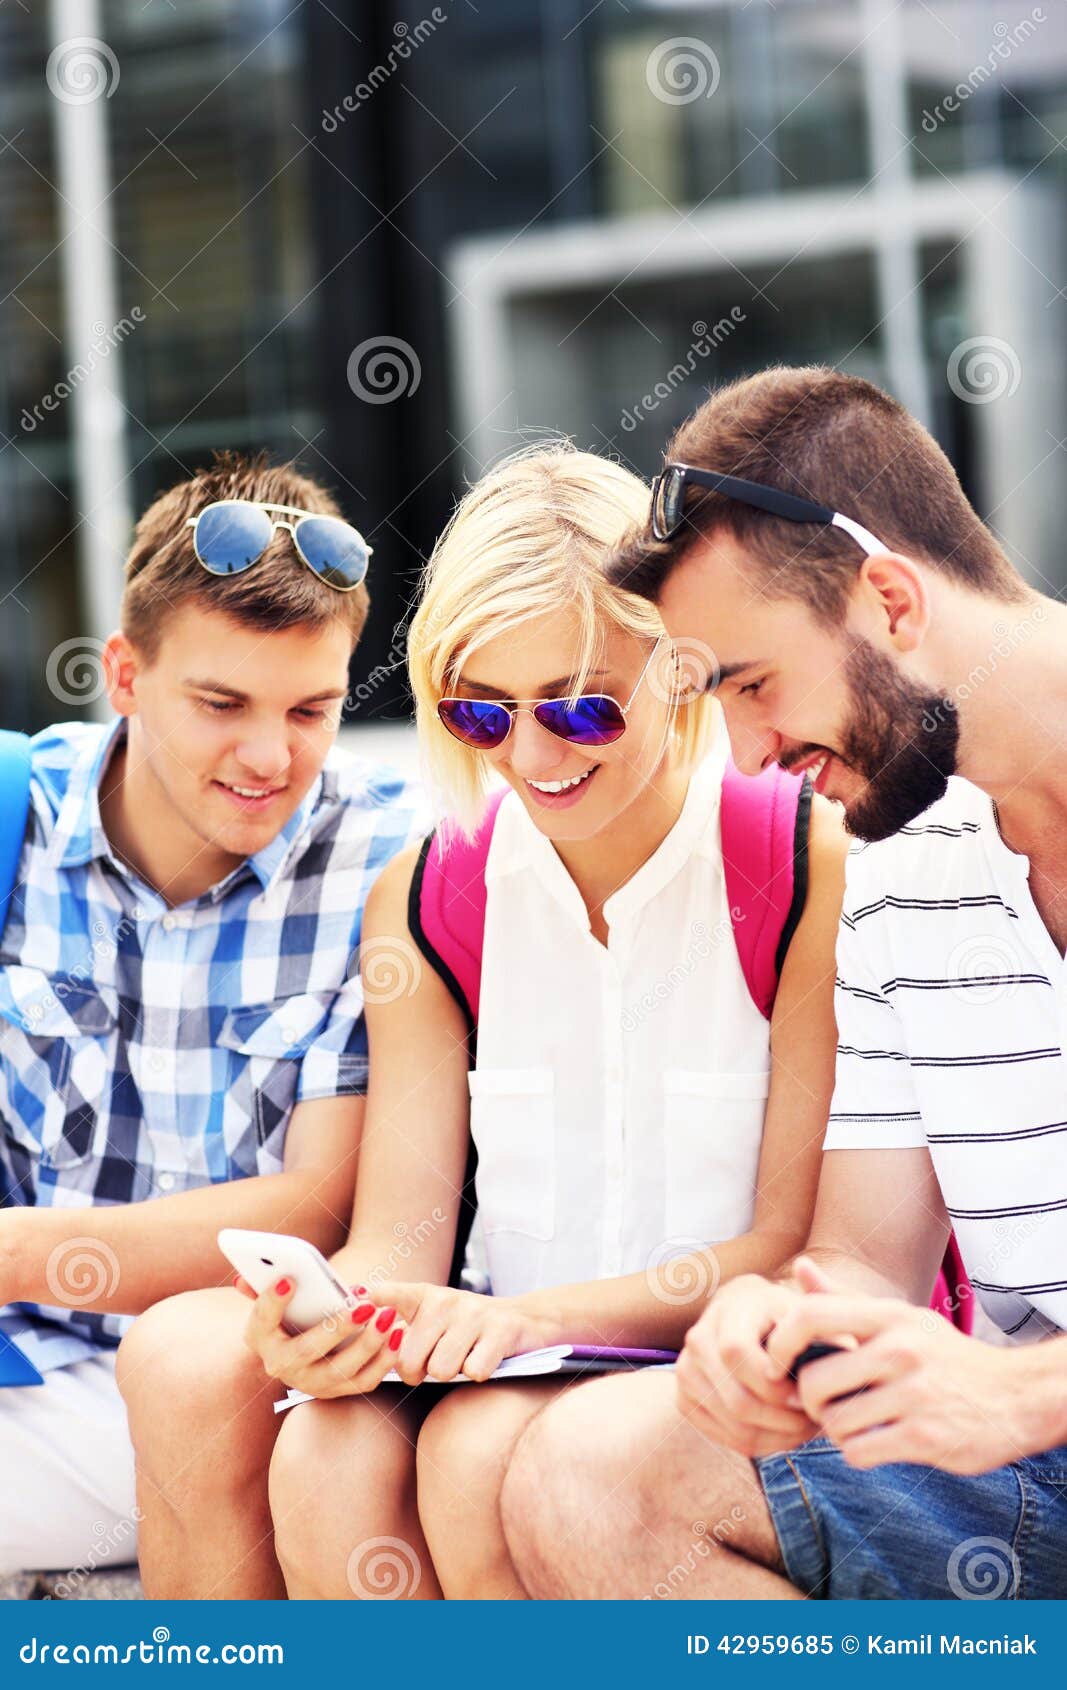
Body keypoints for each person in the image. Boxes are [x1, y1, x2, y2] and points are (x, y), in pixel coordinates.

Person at [120, 442, 846, 1599]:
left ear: (677, 668)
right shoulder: (425, 899)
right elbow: (400, 1235)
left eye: (581, 707)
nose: (532, 755)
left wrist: (516, 1324)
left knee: (467, 1456)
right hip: (503, 1352)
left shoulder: (802, 861)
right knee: (324, 1450)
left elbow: (793, 1247)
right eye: (479, 711)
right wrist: (338, 1320)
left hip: (713, 1362)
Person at [500, 366, 1067, 1602]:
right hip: (1033, 1461)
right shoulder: (899, 858)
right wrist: (773, 1333)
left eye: (751, 686)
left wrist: (1021, 1389)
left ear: (890, 600)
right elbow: (865, 1256)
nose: (748, 754)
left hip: (1031, 1409)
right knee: (587, 1476)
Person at [0, 452, 423, 1581]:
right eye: (221, 703)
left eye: (312, 709)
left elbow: (319, 1201)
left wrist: (10, 1253)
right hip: (27, 1366)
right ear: (124, 675)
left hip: (239, 1384)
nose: (269, 755)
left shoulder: (385, 865)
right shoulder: (12, 816)